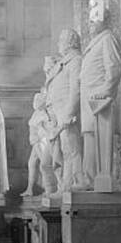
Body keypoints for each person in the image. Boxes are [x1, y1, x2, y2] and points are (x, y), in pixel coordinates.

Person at [79, 4, 121, 192]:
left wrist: (105, 90)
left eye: (93, 20)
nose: (89, 24)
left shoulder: (107, 39)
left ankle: (94, 178)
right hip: (89, 100)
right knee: (89, 136)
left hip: (99, 100)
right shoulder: (97, 41)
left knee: (98, 139)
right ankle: (88, 178)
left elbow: (114, 68)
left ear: (103, 21)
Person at [43, 28, 86, 198]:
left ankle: (78, 182)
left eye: (61, 40)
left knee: (72, 150)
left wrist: (69, 114)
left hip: (67, 114)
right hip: (60, 114)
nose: (59, 44)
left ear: (69, 42)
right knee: (65, 151)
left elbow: (75, 90)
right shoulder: (65, 62)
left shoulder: (75, 60)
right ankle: (66, 186)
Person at [22, 91, 56, 199]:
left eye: (38, 100)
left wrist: (40, 138)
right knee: (31, 163)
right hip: (36, 141)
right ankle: (30, 189)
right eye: (35, 100)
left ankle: (49, 188)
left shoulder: (46, 113)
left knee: (44, 164)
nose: (35, 102)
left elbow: (47, 129)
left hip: (42, 141)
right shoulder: (37, 113)